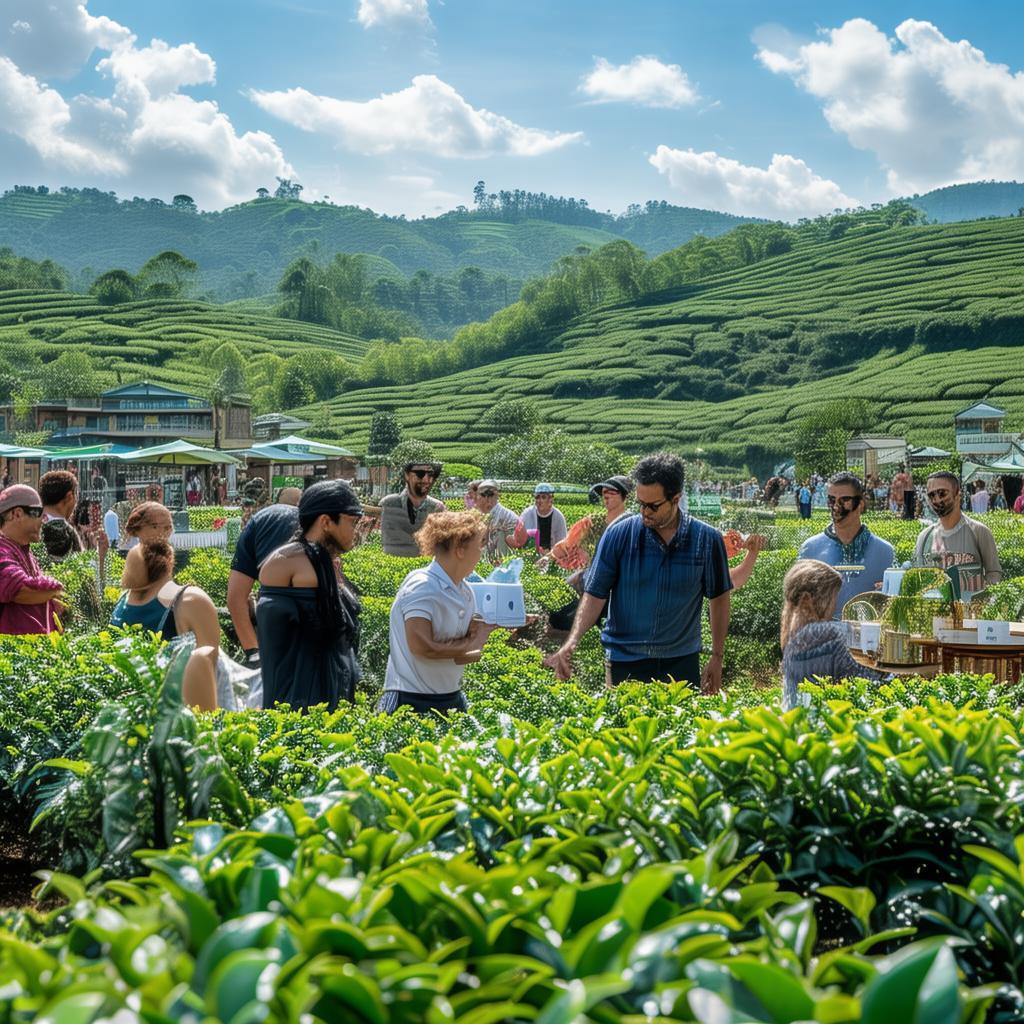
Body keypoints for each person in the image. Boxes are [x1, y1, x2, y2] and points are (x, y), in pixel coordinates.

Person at [545, 453, 732, 691]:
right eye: (640, 503)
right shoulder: (620, 534)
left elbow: (719, 598)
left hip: (681, 661)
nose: (644, 512)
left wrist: (717, 656)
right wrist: (572, 641)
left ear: (676, 498)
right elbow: (595, 594)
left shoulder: (706, 540)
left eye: (653, 506)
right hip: (625, 659)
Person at [111, 529, 253, 710]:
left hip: (132, 706)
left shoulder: (122, 602)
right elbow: (211, 667)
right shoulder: (188, 599)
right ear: (170, 561)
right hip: (174, 710)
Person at [257, 481, 364, 710]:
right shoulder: (290, 562)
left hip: (329, 696)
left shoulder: (320, 562)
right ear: (326, 522)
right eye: (352, 523)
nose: (355, 532)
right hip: (300, 704)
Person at [379, 510, 498, 715]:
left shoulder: (465, 591)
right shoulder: (422, 586)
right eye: (480, 545)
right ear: (460, 549)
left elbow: (463, 657)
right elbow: (423, 648)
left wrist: (487, 631)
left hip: (450, 697)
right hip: (410, 700)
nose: (482, 552)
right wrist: (470, 641)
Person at [780, 560, 888, 710]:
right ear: (809, 599)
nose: (835, 605)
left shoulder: (793, 635)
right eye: (832, 597)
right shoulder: (821, 633)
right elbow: (864, 681)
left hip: (796, 722)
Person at [797, 472, 894, 618]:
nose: (836, 506)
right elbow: (796, 605)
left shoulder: (885, 552)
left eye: (844, 500)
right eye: (831, 499)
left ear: (860, 504)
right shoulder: (810, 549)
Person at [227, 489, 302, 668]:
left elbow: (235, 598)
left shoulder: (260, 519)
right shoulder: (302, 522)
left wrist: (253, 653)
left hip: (270, 640)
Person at [914, 471, 1001, 594]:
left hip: (971, 611)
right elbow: (918, 578)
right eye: (931, 495)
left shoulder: (978, 531)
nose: (937, 499)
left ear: (957, 494)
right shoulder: (924, 537)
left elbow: (994, 572)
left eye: (942, 493)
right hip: (936, 610)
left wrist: (984, 598)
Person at [0, 485, 64, 635]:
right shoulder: (2, 549)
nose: (44, 519)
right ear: (16, 514)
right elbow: (20, 590)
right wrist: (55, 590)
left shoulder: (22, 549)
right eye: (39, 512)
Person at [377, 461, 445, 557]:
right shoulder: (389, 503)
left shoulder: (437, 507)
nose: (426, 479)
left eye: (430, 475)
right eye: (420, 474)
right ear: (407, 476)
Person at [38, 470, 85, 561]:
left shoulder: (30, 523)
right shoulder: (67, 531)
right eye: (76, 496)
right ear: (69, 496)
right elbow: (81, 566)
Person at [474, 480, 521, 562]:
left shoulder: (505, 515)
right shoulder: (480, 513)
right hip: (489, 552)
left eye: (490, 495)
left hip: (504, 554)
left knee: (499, 533)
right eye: (481, 495)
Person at [515, 483, 567, 553]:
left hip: (551, 554)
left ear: (551, 500)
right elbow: (518, 535)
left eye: (543, 497)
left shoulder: (558, 517)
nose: (540, 501)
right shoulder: (527, 513)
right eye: (537, 497)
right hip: (531, 553)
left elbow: (562, 542)